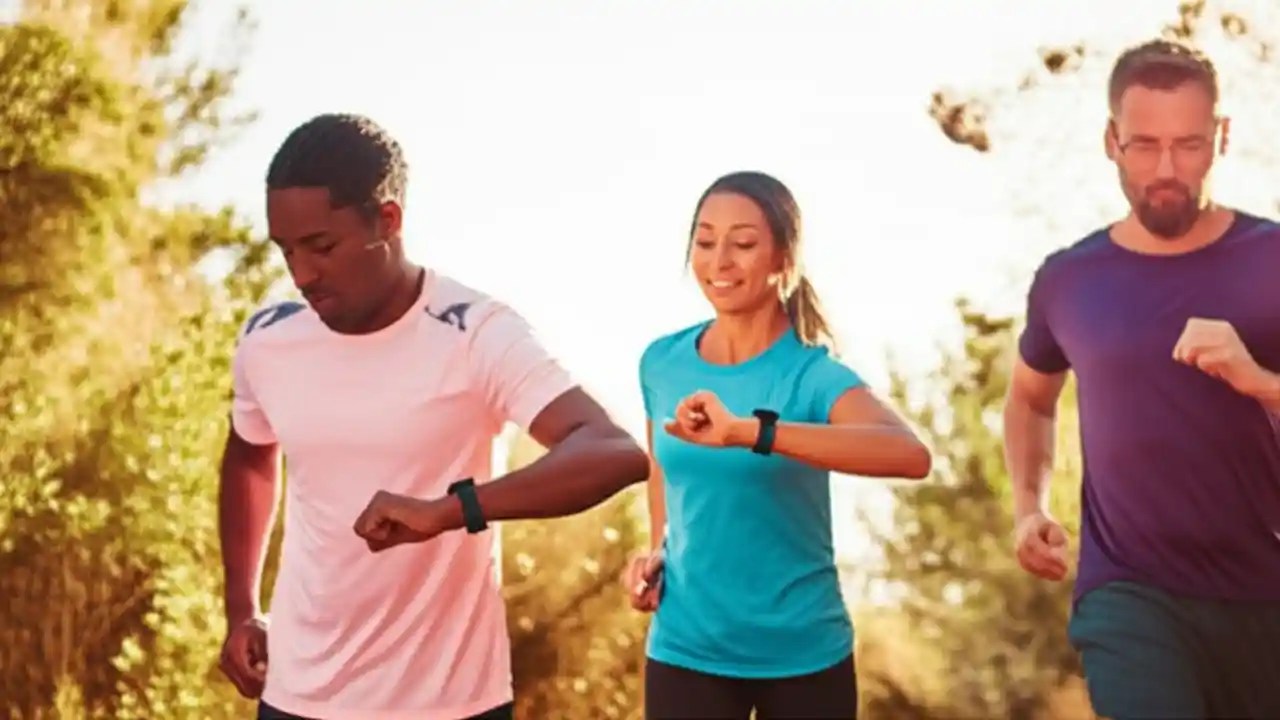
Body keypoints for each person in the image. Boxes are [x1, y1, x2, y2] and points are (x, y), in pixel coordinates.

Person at [217, 113, 650, 720]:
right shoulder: (268, 340)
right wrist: (242, 607)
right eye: (286, 250)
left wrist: (450, 510)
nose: (302, 274)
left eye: (322, 247)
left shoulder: (476, 333)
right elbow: (250, 453)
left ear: (388, 220)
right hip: (296, 697)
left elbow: (613, 452)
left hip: (450, 703)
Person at [1003, 39, 1280, 720]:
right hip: (1129, 593)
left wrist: (1258, 380)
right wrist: (1029, 506)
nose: (1165, 169)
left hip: (1266, 592)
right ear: (1112, 142)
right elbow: (1031, 399)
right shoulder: (1069, 279)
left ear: (1221, 137)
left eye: (1188, 145)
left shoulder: (1272, 257)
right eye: (1144, 145)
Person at [624, 170, 933, 720]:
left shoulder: (812, 376)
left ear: (784, 259)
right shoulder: (661, 363)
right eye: (705, 241)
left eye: (743, 244)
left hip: (804, 660)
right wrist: (656, 553)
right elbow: (662, 473)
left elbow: (910, 455)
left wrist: (753, 432)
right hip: (685, 650)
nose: (720, 261)